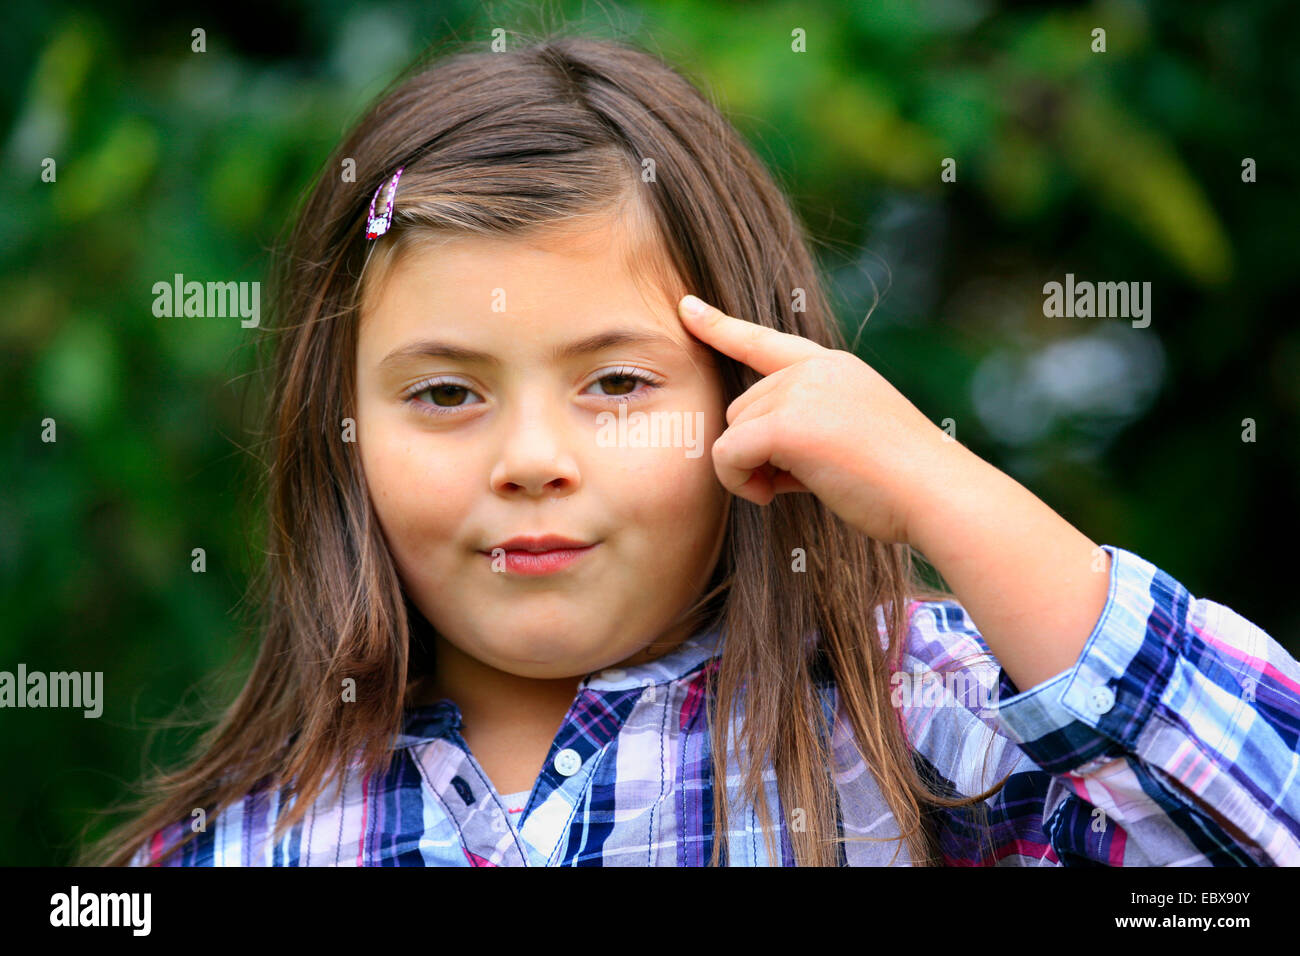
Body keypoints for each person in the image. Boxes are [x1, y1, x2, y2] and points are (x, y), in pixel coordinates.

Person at [83, 33, 1299, 867]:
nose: (532, 457)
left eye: (615, 382)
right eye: (447, 391)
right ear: (338, 434)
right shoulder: (241, 842)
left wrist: (938, 484)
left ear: (753, 393)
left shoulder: (924, 732)